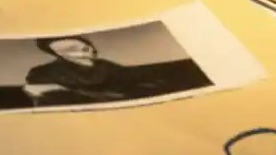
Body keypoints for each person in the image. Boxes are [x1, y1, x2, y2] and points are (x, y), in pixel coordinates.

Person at [22, 34, 212, 107]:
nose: (81, 52)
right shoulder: (43, 73)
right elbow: (49, 96)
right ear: (58, 54)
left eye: (83, 47)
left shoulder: (107, 67)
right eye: (68, 50)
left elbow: (136, 79)